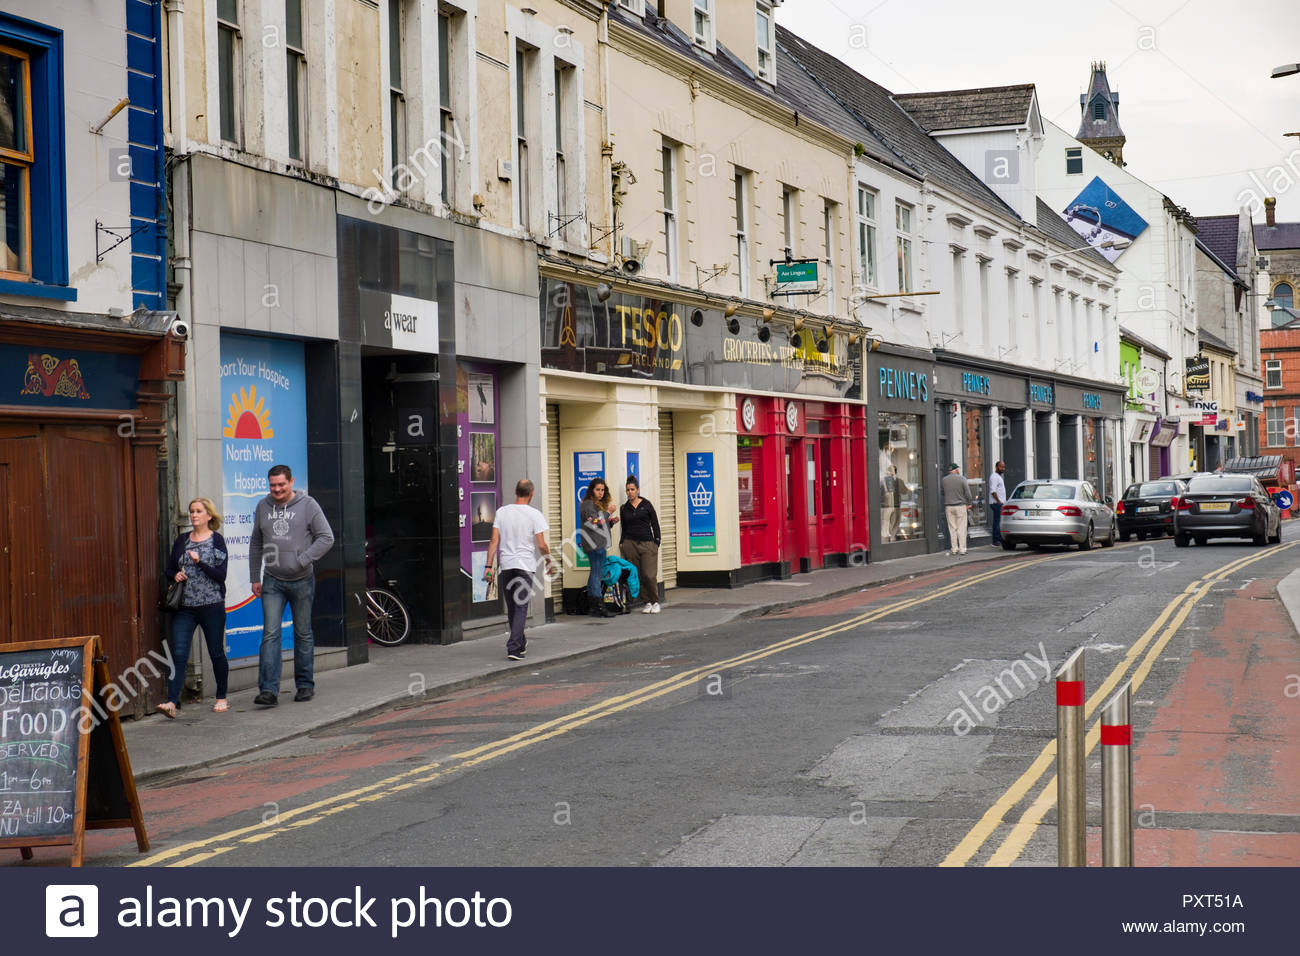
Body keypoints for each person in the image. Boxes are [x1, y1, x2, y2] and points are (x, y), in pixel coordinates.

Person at [248, 464, 335, 706]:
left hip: (302, 580)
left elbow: (326, 538)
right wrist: (255, 576)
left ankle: (305, 685)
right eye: (272, 485)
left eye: (281, 484)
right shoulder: (262, 507)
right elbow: (256, 543)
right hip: (272, 580)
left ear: (291, 482)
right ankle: (268, 691)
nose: (276, 489)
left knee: (303, 633)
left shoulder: (308, 505)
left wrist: (303, 559)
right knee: (270, 634)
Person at [158, 498, 230, 718]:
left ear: (209, 515)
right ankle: (171, 702)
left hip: (212, 606)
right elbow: (169, 570)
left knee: (216, 652)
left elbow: (221, 575)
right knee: (179, 654)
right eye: (191, 511)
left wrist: (200, 563)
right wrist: (175, 574)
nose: (194, 515)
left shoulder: (216, 540)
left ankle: (221, 696)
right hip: (185, 607)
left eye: (199, 511)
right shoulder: (182, 540)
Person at [485, 478, 552, 661]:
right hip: (524, 566)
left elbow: (493, 541)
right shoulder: (534, 514)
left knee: (513, 607)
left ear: (515, 492)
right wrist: (549, 561)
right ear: (532, 493)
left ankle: (520, 642)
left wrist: (488, 566)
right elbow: (542, 545)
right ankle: (514, 648)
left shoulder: (502, 512)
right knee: (521, 607)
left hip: (506, 566)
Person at [619, 476, 662, 613]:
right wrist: (622, 542)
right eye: (627, 490)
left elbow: (655, 524)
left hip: (647, 543)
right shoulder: (624, 508)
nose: (630, 492)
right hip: (630, 544)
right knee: (637, 574)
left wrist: (657, 542)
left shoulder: (646, 504)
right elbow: (624, 527)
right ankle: (647, 602)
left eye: (632, 489)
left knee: (649, 575)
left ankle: (655, 601)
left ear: (637, 490)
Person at [579, 477, 617, 618]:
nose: (600, 493)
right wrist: (608, 513)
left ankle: (593, 605)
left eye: (602, 490)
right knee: (597, 574)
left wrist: (611, 521)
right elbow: (594, 523)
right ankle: (599, 606)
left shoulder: (596, 504)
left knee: (595, 573)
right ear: (591, 490)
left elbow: (601, 524)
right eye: (598, 490)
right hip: (595, 544)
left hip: (599, 543)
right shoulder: (588, 505)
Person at [942, 462, 974, 555]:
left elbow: (943, 492)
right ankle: (962, 549)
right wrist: (969, 503)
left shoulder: (944, 480)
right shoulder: (962, 479)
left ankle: (954, 549)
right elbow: (968, 493)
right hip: (960, 506)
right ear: (955, 470)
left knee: (952, 529)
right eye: (958, 469)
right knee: (961, 528)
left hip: (949, 507)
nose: (959, 471)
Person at [988, 460, 1008, 547]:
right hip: (996, 503)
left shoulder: (998, 476)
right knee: (997, 522)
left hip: (999, 503)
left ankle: (998, 539)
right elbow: (993, 491)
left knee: (999, 521)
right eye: (1001, 467)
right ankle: (995, 541)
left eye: (1004, 467)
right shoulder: (994, 477)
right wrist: (999, 501)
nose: (1003, 469)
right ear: (996, 467)